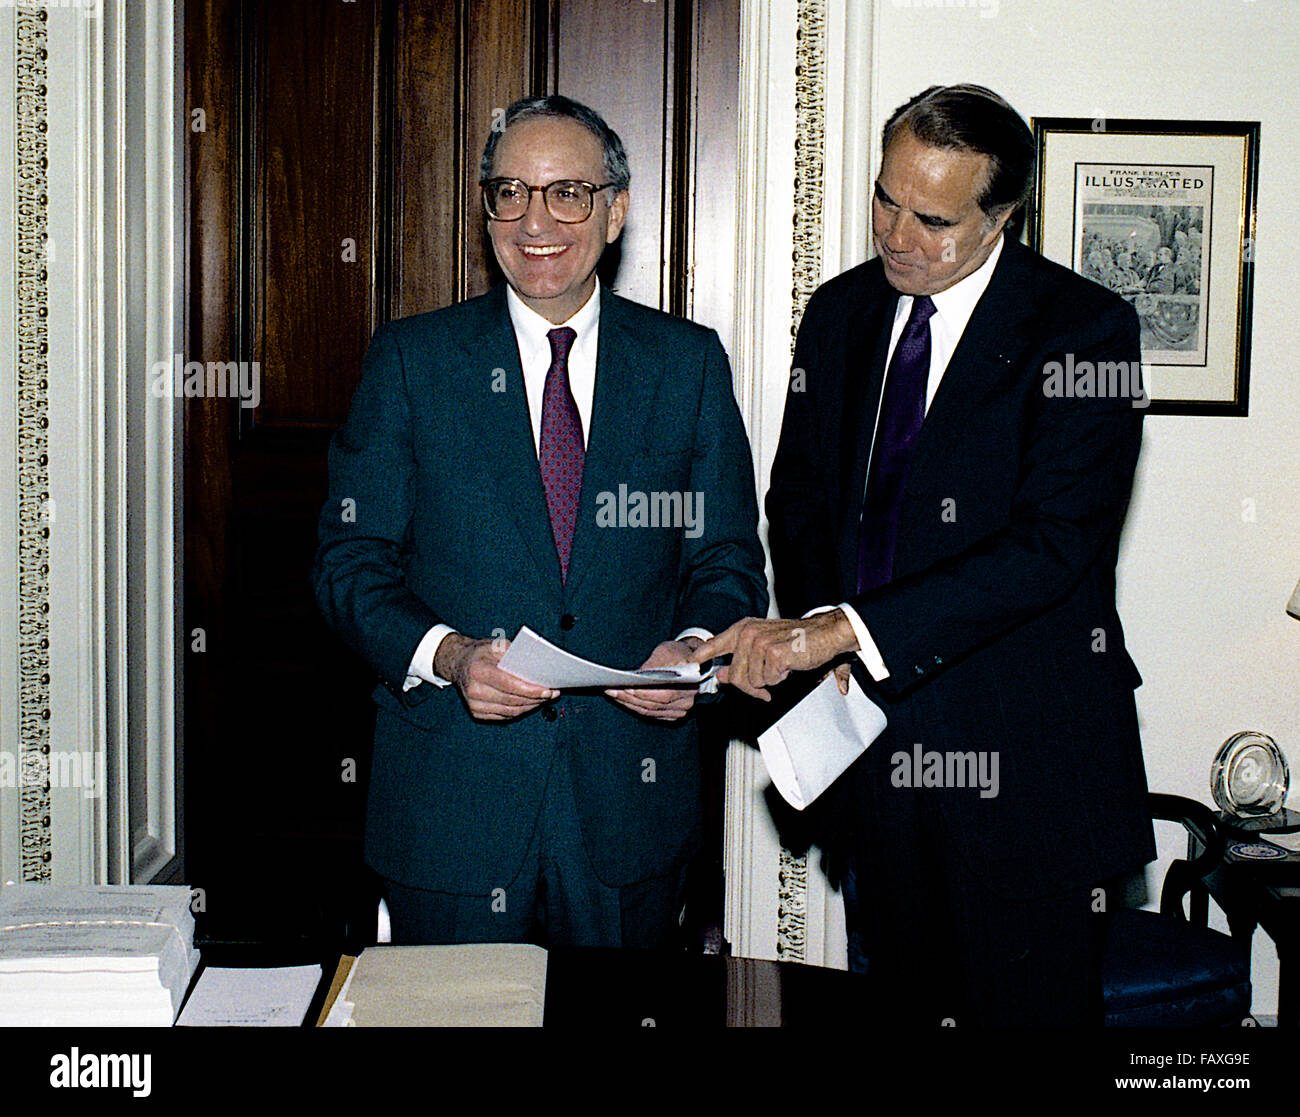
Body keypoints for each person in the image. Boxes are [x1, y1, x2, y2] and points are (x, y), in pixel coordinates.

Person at [693, 84, 1154, 1026]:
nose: (898, 235)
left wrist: (843, 630)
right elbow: (802, 500)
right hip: (875, 769)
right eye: (885, 199)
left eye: (934, 218)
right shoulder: (840, 313)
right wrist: (817, 651)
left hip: (1026, 781)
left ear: (1002, 217)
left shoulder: (1084, 330)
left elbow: (1051, 547)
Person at [312, 95, 767, 949]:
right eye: (510, 193)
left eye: (567, 193)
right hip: (452, 810)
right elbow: (348, 564)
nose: (536, 221)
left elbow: (727, 558)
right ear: (485, 209)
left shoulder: (686, 364)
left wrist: (692, 653)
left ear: (616, 209)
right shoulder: (412, 361)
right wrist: (449, 656)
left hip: (628, 809)